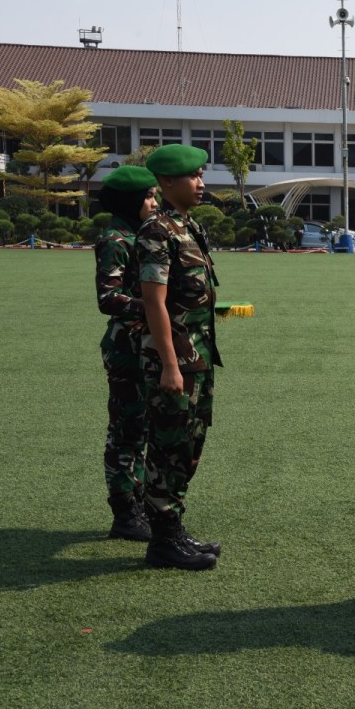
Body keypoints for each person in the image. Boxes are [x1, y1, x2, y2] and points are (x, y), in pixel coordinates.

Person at [135, 144, 223, 571]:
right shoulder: (157, 231)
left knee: (189, 444)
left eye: (201, 175)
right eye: (193, 177)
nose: (201, 183)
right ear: (168, 182)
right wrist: (170, 364)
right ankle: (164, 541)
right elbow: (155, 303)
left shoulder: (186, 226)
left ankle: (174, 531)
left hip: (199, 359)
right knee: (168, 448)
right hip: (175, 360)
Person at [94, 165, 159, 542]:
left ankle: (137, 505)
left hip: (145, 346)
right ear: (131, 201)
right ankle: (124, 512)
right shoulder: (117, 240)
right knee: (126, 431)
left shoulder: (140, 235)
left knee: (143, 428)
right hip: (126, 349)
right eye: (148, 197)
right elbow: (108, 299)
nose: (153, 203)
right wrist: (154, 308)